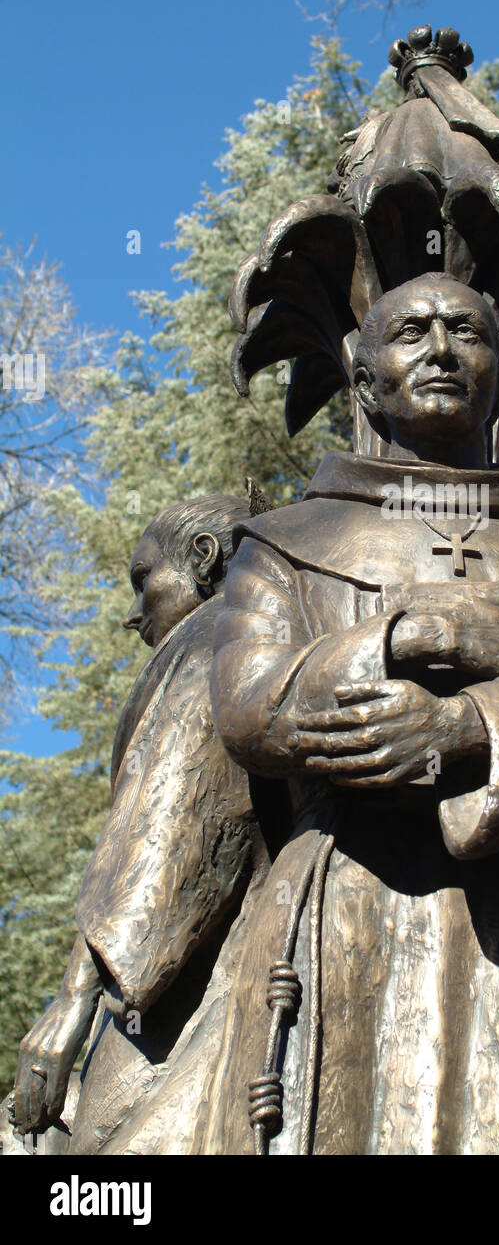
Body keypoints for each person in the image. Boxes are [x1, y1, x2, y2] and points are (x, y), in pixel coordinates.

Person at [200, 272, 499, 1155]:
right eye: (411, 332)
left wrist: (469, 730)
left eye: (464, 332)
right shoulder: (283, 545)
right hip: (336, 908)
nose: (438, 350)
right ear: (365, 379)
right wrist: (406, 636)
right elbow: (246, 705)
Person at [11, 493, 266, 1155]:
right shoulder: (262, 642)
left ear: (203, 559)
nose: (131, 615)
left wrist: (74, 1000)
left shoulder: (211, 639)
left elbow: (167, 824)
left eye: (142, 579)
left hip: (188, 994)